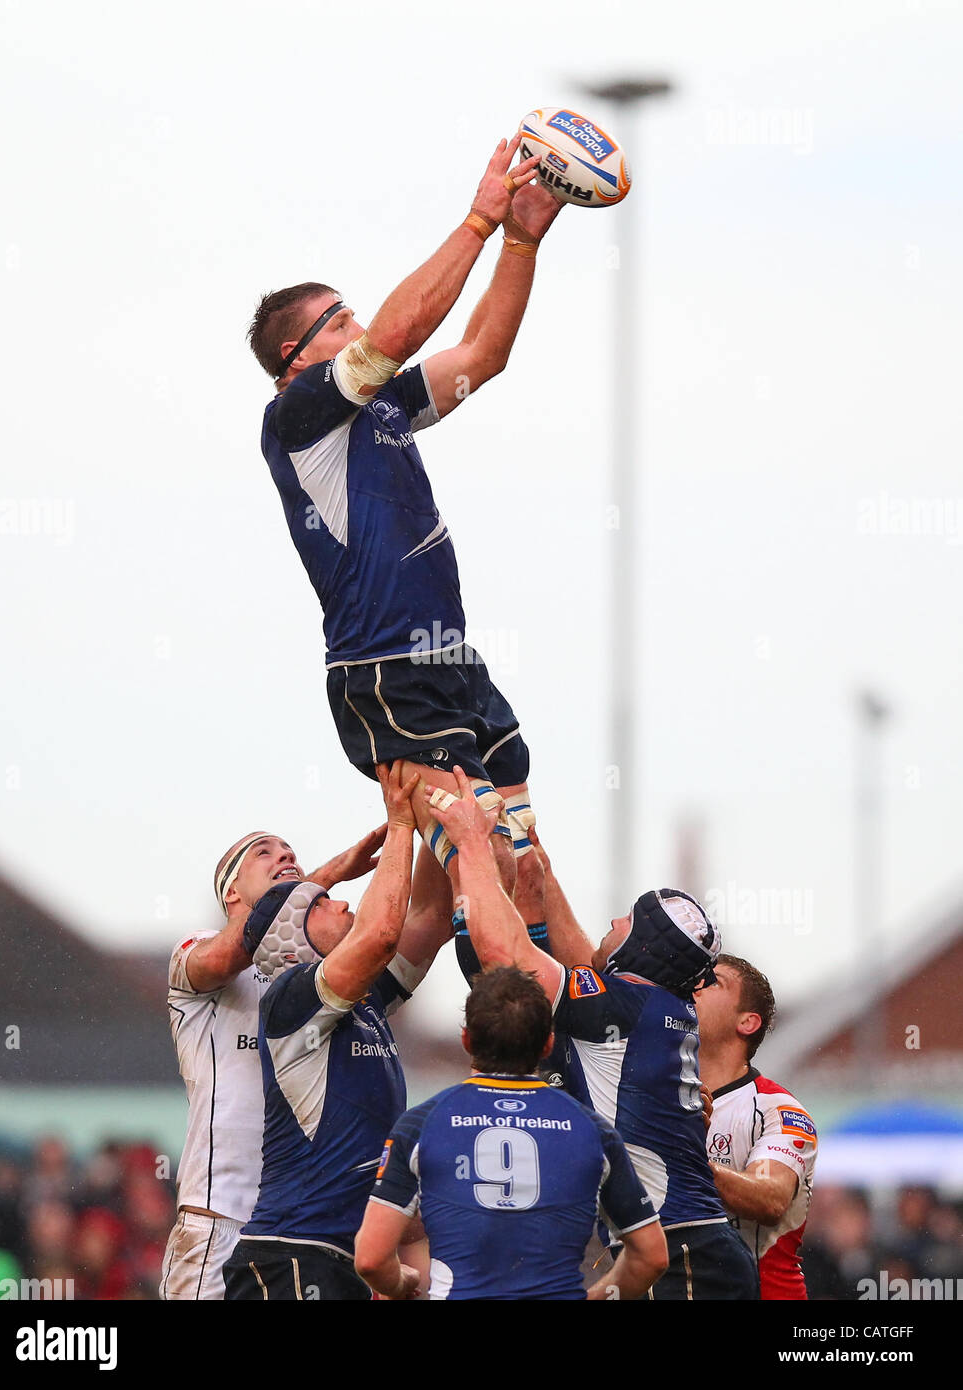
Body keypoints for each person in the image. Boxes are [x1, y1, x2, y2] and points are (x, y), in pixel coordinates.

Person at [245, 135, 564, 927]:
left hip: (452, 661)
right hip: (385, 672)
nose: (354, 326)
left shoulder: (382, 406)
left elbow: (483, 353)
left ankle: (551, 1027)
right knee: (479, 862)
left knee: (524, 866)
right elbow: (395, 335)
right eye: (336, 320)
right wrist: (477, 221)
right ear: (298, 356)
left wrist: (520, 237)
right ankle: (500, 1033)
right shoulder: (299, 414)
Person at [421, 767, 759, 1301]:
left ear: (645, 946)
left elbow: (501, 952)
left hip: (684, 1259)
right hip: (691, 1251)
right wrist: (537, 860)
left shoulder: (624, 1006)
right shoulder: (652, 1006)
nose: (612, 922)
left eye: (626, 919)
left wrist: (470, 846)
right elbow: (580, 957)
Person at [222, 762, 454, 1301]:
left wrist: (433, 812)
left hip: (338, 1256)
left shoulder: (365, 997)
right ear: (290, 936)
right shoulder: (292, 996)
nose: (344, 901)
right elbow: (380, 934)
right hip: (293, 1253)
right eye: (324, 904)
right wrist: (399, 823)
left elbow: (431, 915)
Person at [159, 822, 385, 1299]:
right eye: (264, 852)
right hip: (216, 1217)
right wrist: (323, 878)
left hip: (292, 1229)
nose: (284, 855)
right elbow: (234, 951)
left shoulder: (313, 979)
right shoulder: (198, 952)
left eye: (290, 851)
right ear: (232, 892)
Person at [354, 964, 668, 1301]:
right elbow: (652, 1256)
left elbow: (371, 1259)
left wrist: (402, 1285)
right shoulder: (594, 1130)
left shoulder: (421, 1124)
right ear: (548, 1043)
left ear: (467, 1039)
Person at [693, 954, 817, 1300]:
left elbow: (770, 1198)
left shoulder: (777, 1107)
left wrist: (684, 1157)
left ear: (747, 1022)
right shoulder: (656, 1095)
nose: (695, 987)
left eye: (713, 981)